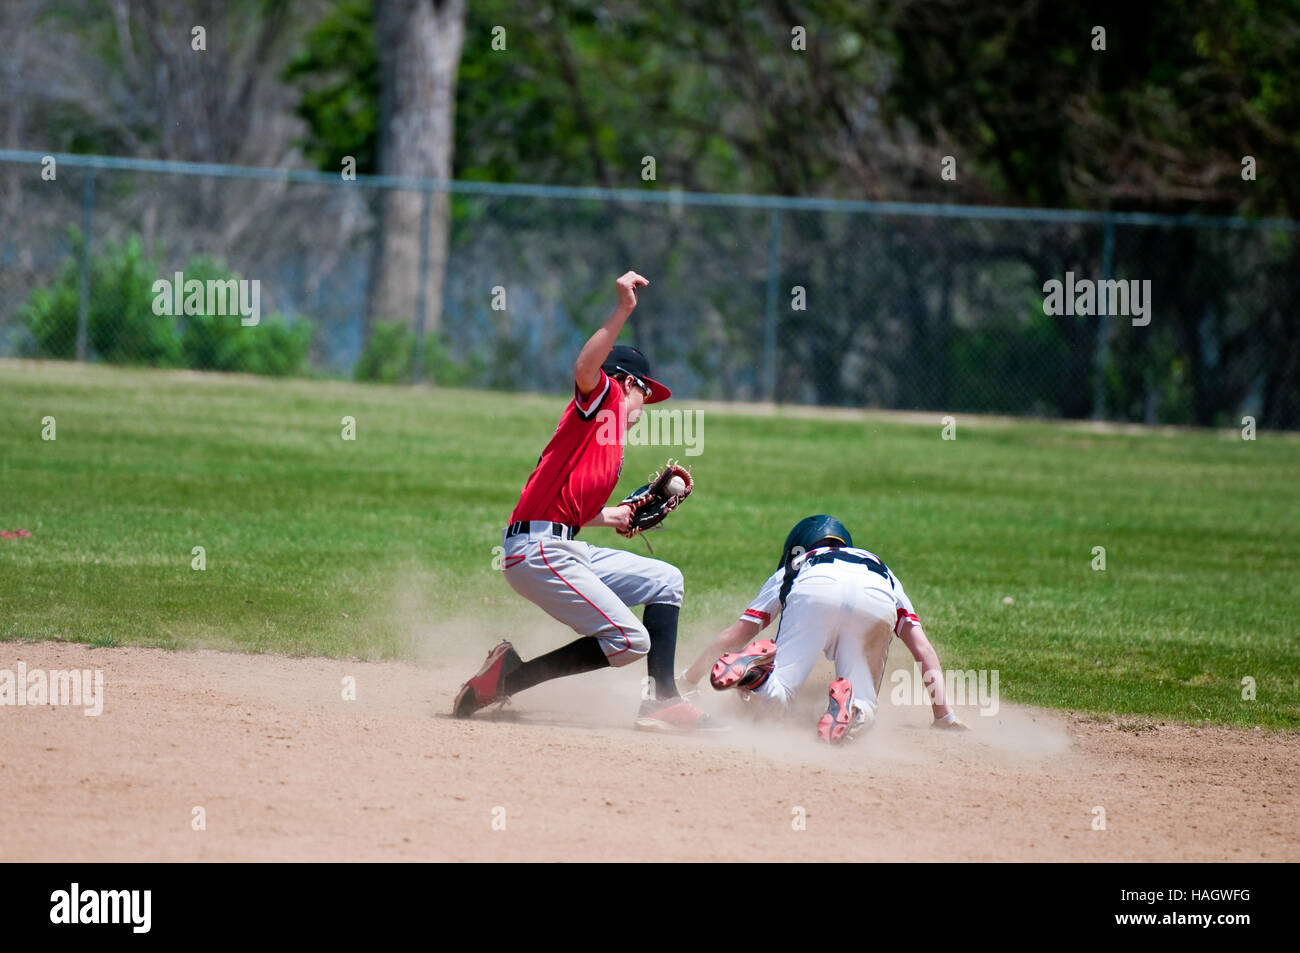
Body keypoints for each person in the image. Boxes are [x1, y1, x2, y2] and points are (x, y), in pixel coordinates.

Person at [453, 271, 720, 732]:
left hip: (561, 544)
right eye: (646, 393)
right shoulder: (602, 400)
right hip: (538, 552)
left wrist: (610, 516)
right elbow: (583, 368)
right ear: (626, 383)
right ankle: (510, 680)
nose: (645, 406)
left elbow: (563, 507)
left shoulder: (606, 442)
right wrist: (623, 310)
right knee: (629, 641)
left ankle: (663, 700)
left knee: (666, 581)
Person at [680, 515, 967, 743]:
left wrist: (688, 679)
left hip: (813, 588)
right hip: (875, 596)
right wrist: (944, 715)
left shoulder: (797, 563)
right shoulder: (882, 569)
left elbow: (738, 634)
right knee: (866, 707)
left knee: (778, 696)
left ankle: (757, 675)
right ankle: (852, 706)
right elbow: (923, 650)